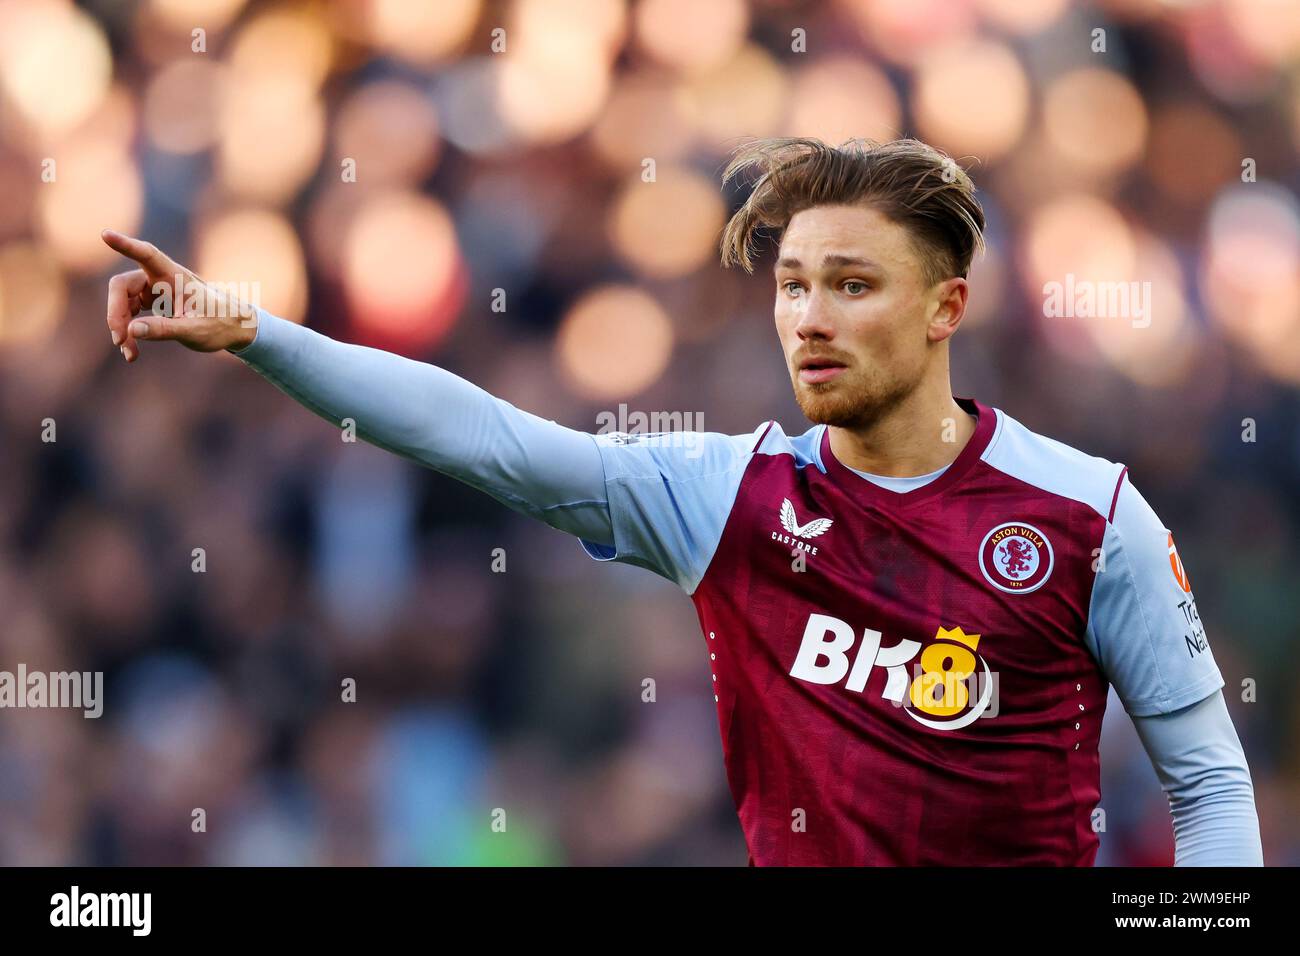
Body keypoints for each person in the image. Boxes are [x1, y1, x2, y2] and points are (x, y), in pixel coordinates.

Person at [101, 137, 1262, 866]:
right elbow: (488, 439)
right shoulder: (727, 497)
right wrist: (256, 332)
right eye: (793, 284)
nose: (808, 316)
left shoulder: (1090, 514)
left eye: (852, 286)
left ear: (945, 308)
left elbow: (1207, 783)